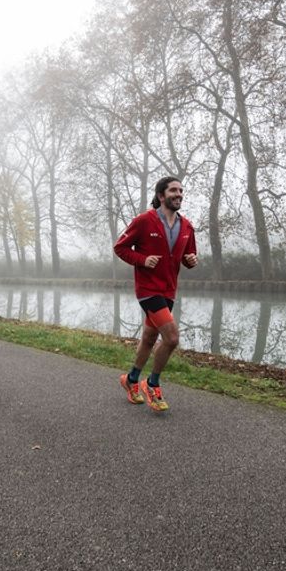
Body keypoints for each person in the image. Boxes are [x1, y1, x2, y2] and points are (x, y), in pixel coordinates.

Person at [113, 175, 198, 412]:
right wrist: (141, 260)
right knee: (171, 338)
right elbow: (120, 247)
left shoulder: (188, 226)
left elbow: (190, 256)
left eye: (181, 191)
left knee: (150, 338)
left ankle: (130, 380)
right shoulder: (143, 221)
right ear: (161, 195)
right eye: (173, 191)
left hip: (169, 290)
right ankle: (152, 384)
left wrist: (191, 260)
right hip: (148, 289)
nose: (178, 194)